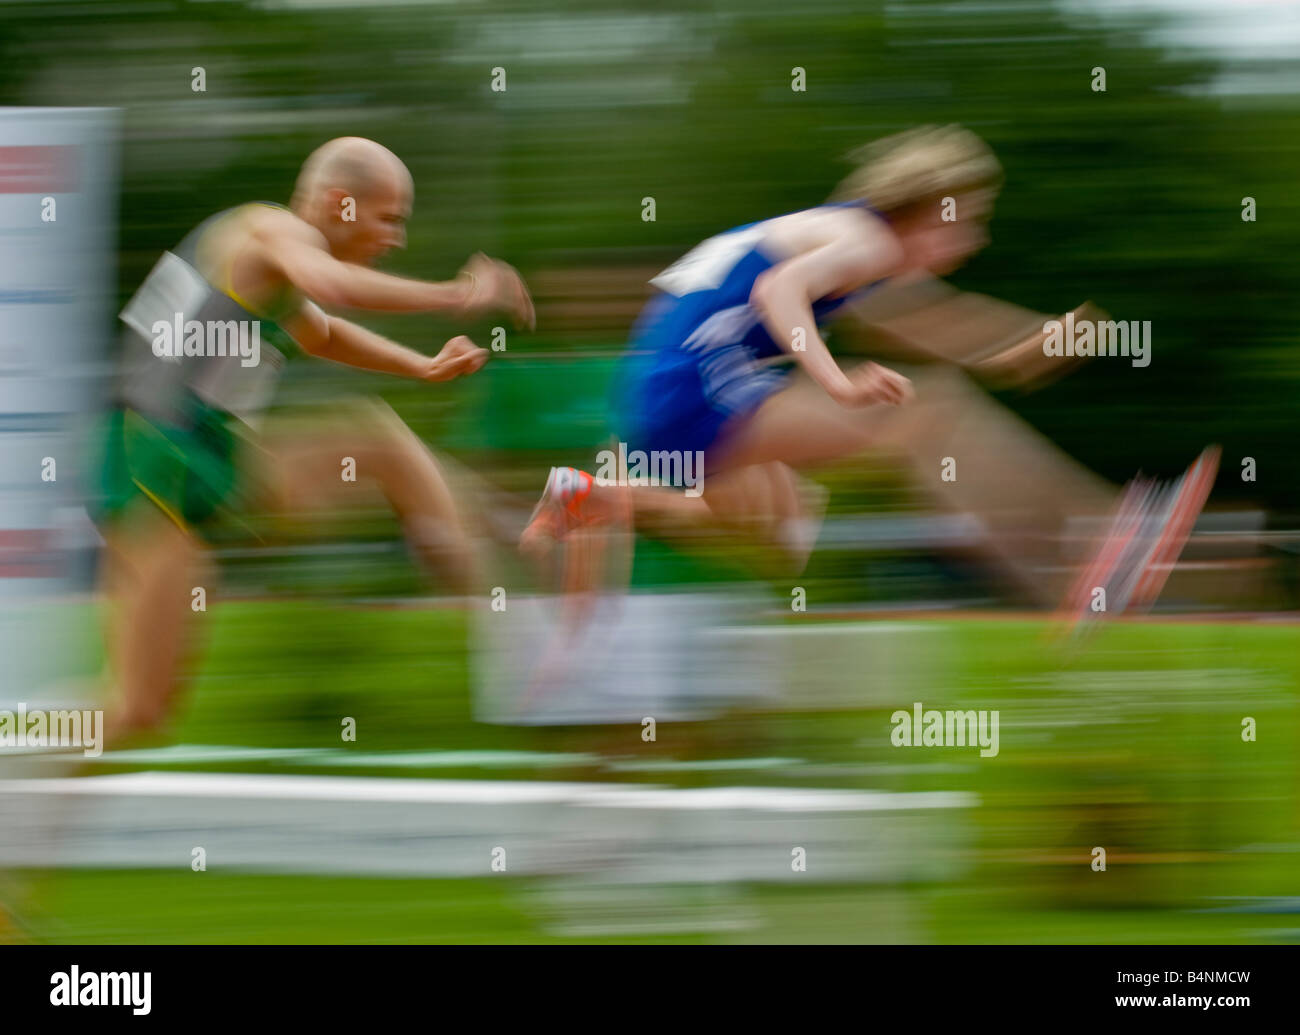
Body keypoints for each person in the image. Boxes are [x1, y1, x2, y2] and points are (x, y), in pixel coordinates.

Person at [519, 125, 1216, 627]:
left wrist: (1026, 345)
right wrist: (837, 383)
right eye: (968, 221)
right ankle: (1093, 549)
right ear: (924, 207)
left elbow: (942, 325)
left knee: (781, 534)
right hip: (693, 383)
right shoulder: (864, 241)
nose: (976, 240)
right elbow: (778, 294)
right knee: (929, 412)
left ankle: (591, 496)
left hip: (670, 381)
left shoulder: (856, 243)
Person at [96, 136, 533, 742]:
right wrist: (457, 294)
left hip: (205, 454)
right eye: (390, 219)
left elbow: (323, 332)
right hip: (152, 462)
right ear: (339, 204)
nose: (397, 239)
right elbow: (336, 287)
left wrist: (423, 366)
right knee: (132, 708)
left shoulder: (271, 267)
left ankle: (496, 584)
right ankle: (503, 599)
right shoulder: (269, 232)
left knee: (136, 713)